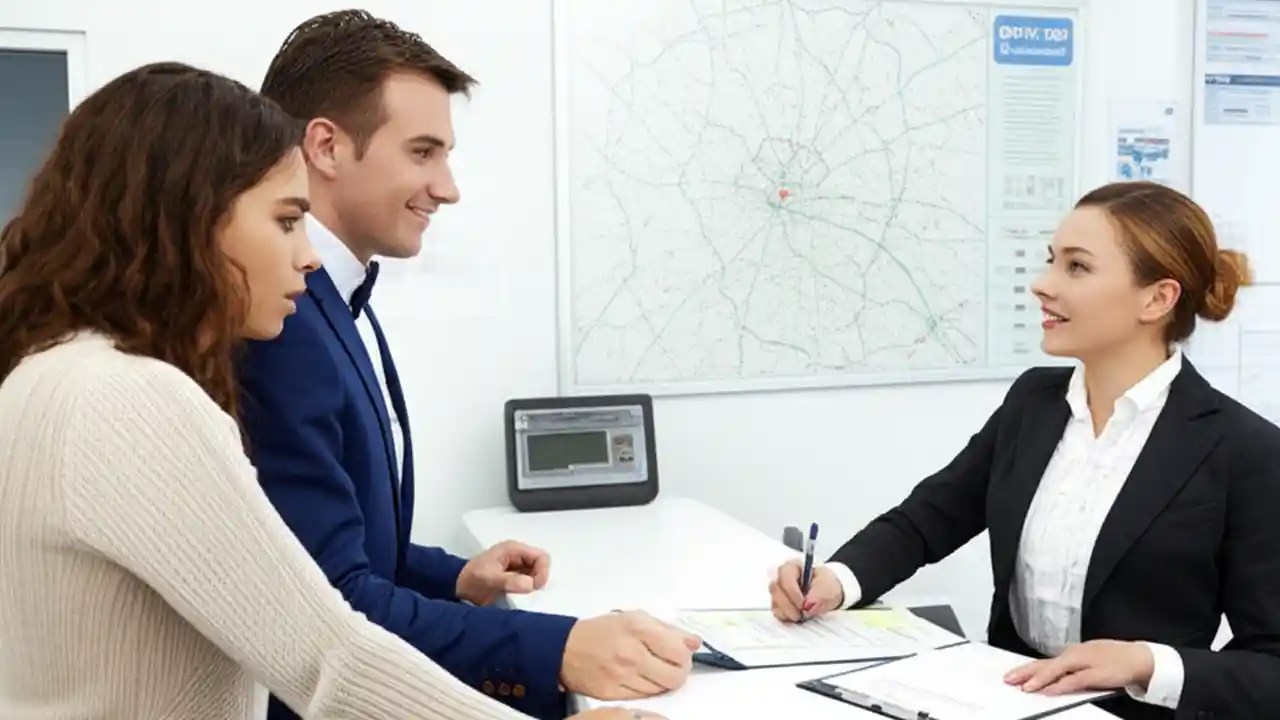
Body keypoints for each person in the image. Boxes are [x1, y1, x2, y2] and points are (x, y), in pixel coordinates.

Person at [0, 61, 657, 720]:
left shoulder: (44, 373)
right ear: (190, 220)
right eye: (287, 221)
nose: (308, 255)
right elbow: (324, 654)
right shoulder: (132, 401)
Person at [238, 11, 698, 720]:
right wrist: (562, 648)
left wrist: (454, 577)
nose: (446, 187)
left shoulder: (338, 297)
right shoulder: (284, 319)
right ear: (326, 146)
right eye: (423, 153)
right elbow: (330, 599)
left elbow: (336, 539)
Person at [768, 181, 1280, 719]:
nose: (1042, 285)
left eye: (1077, 267)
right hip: (1000, 698)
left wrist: (1144, 663)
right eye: (1050, 261)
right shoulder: (1034, 401)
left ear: (1157, 299)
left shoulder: (1245, 451)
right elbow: (926, 521)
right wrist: (835, 582)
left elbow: (1271, 666)